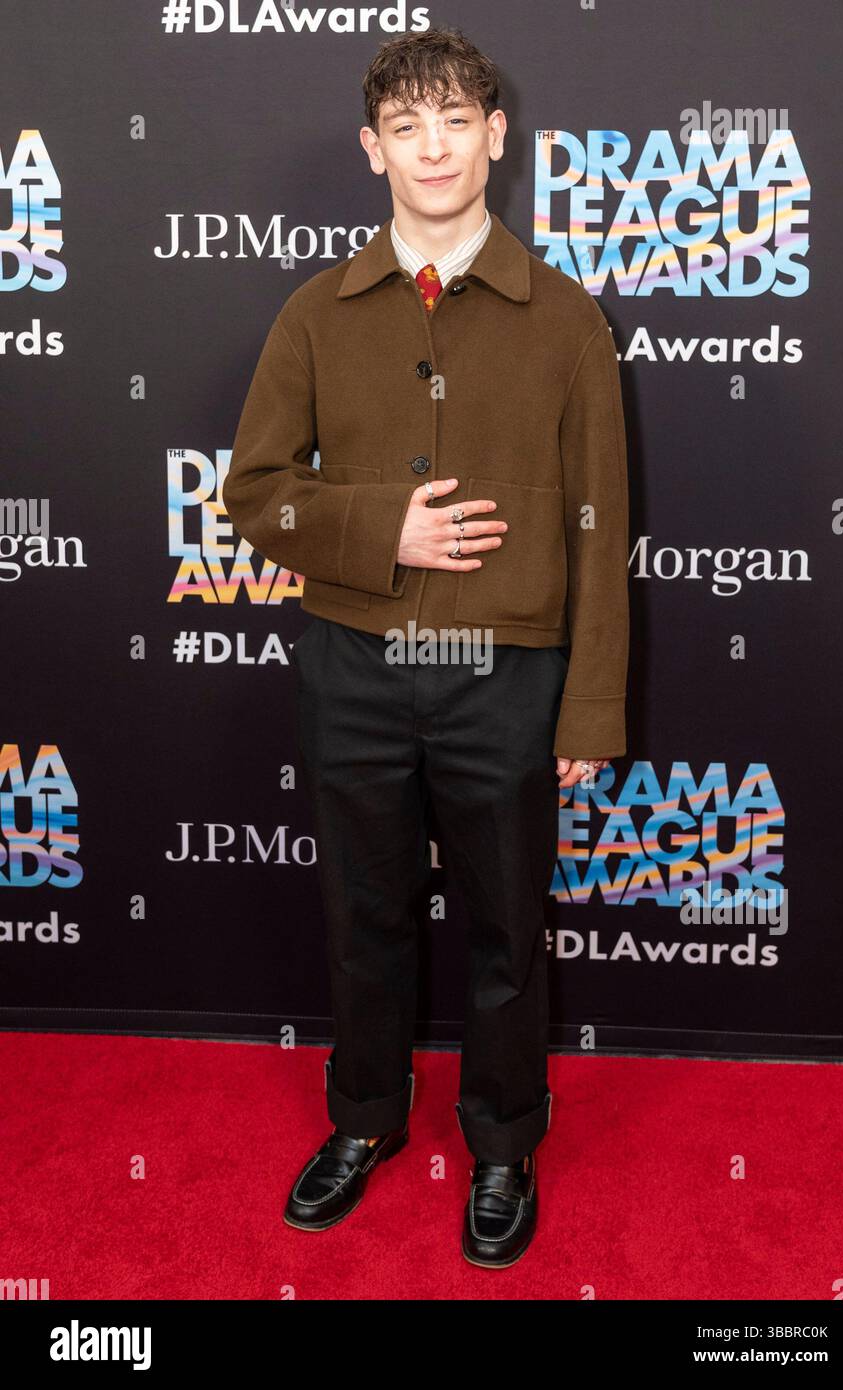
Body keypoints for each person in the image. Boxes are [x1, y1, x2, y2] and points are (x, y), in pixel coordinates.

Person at [223, 24, 630, 1269]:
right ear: (372, 149)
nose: (434, 145)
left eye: (455, 119)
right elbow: (251, 498)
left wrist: (588, 713)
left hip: (508, 674)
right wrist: (377, 525)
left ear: (496, 137)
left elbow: (601, 532)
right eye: (407, 125)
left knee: (510, 925)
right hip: (351, 667)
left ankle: (504, 1141)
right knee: (363, 913)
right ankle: (363, 1120)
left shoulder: (566, 322)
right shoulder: (311, 313)